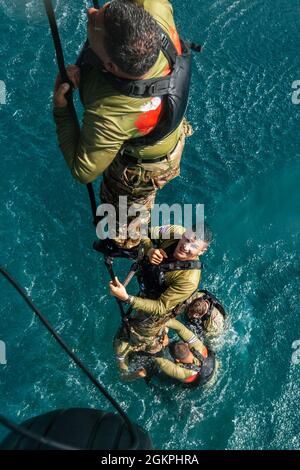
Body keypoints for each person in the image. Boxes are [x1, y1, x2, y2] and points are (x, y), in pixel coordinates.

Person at [53, 0, 193, 248]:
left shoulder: (110, 113)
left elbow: (83, 170)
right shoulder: (154, 8)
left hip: (143, 168)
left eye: (94, 22)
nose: (90, 11)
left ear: (110, 67)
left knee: (123, 213)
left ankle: (128, 245)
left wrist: (62, 108)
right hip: (167, 132)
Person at [113, 317, 208, 382]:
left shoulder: (197, 349)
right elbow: (123, 376)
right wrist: (136, 375)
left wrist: (137, 374)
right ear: (187, 346)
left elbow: (180, 328)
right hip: (207, 370)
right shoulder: (122, 347)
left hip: (190, 377)